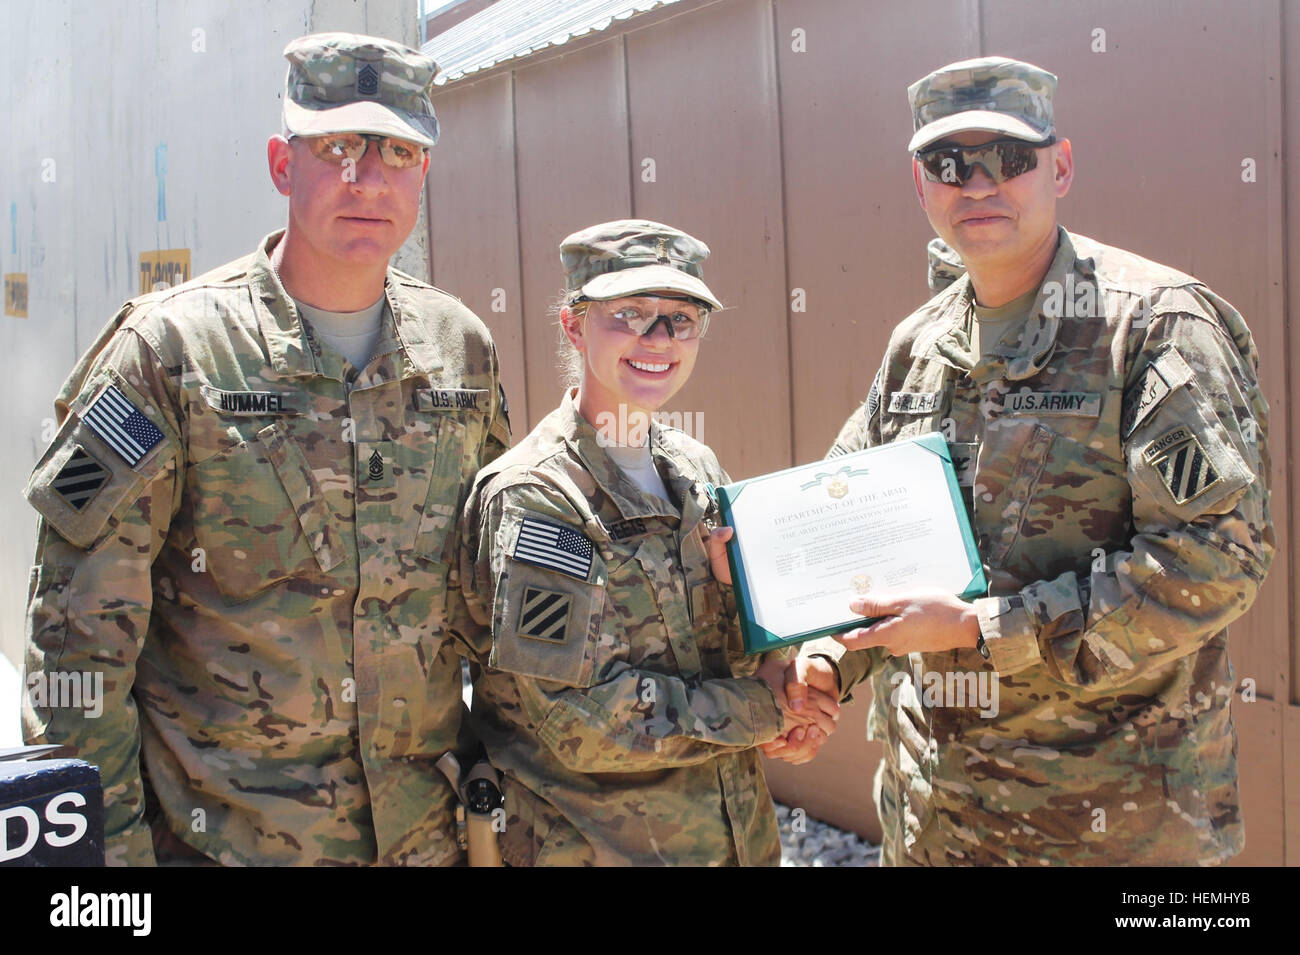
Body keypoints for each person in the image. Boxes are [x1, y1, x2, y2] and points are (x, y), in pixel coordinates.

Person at [21, 32, 509, 865]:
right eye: (338, 149)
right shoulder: (167, 354)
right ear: (284, 166)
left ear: (423, 173)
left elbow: (498, 603)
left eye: (397, 151)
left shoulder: (458, 349)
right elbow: (76, 652)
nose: (368, 180)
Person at [779, 56, 1274, 865]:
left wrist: (983, 629)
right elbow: (847, 528)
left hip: (1105, 827)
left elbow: (1217, 559)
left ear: (1062, 167)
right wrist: (824, 657)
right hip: (936, 818)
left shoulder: (1152, 328)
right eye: (949, 164)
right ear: (921, 184)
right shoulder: (919, 347)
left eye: (1010, 158)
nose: (978, 184)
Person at [449, 220, 838, 865]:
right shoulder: (537, 498)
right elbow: (578, 720)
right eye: (629, 314)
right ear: (574, 325)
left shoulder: (694, 469)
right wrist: (764, 711)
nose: (658, 339)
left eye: (681, 319)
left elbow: (719, 646)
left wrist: (786, 676)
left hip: (733, 836)